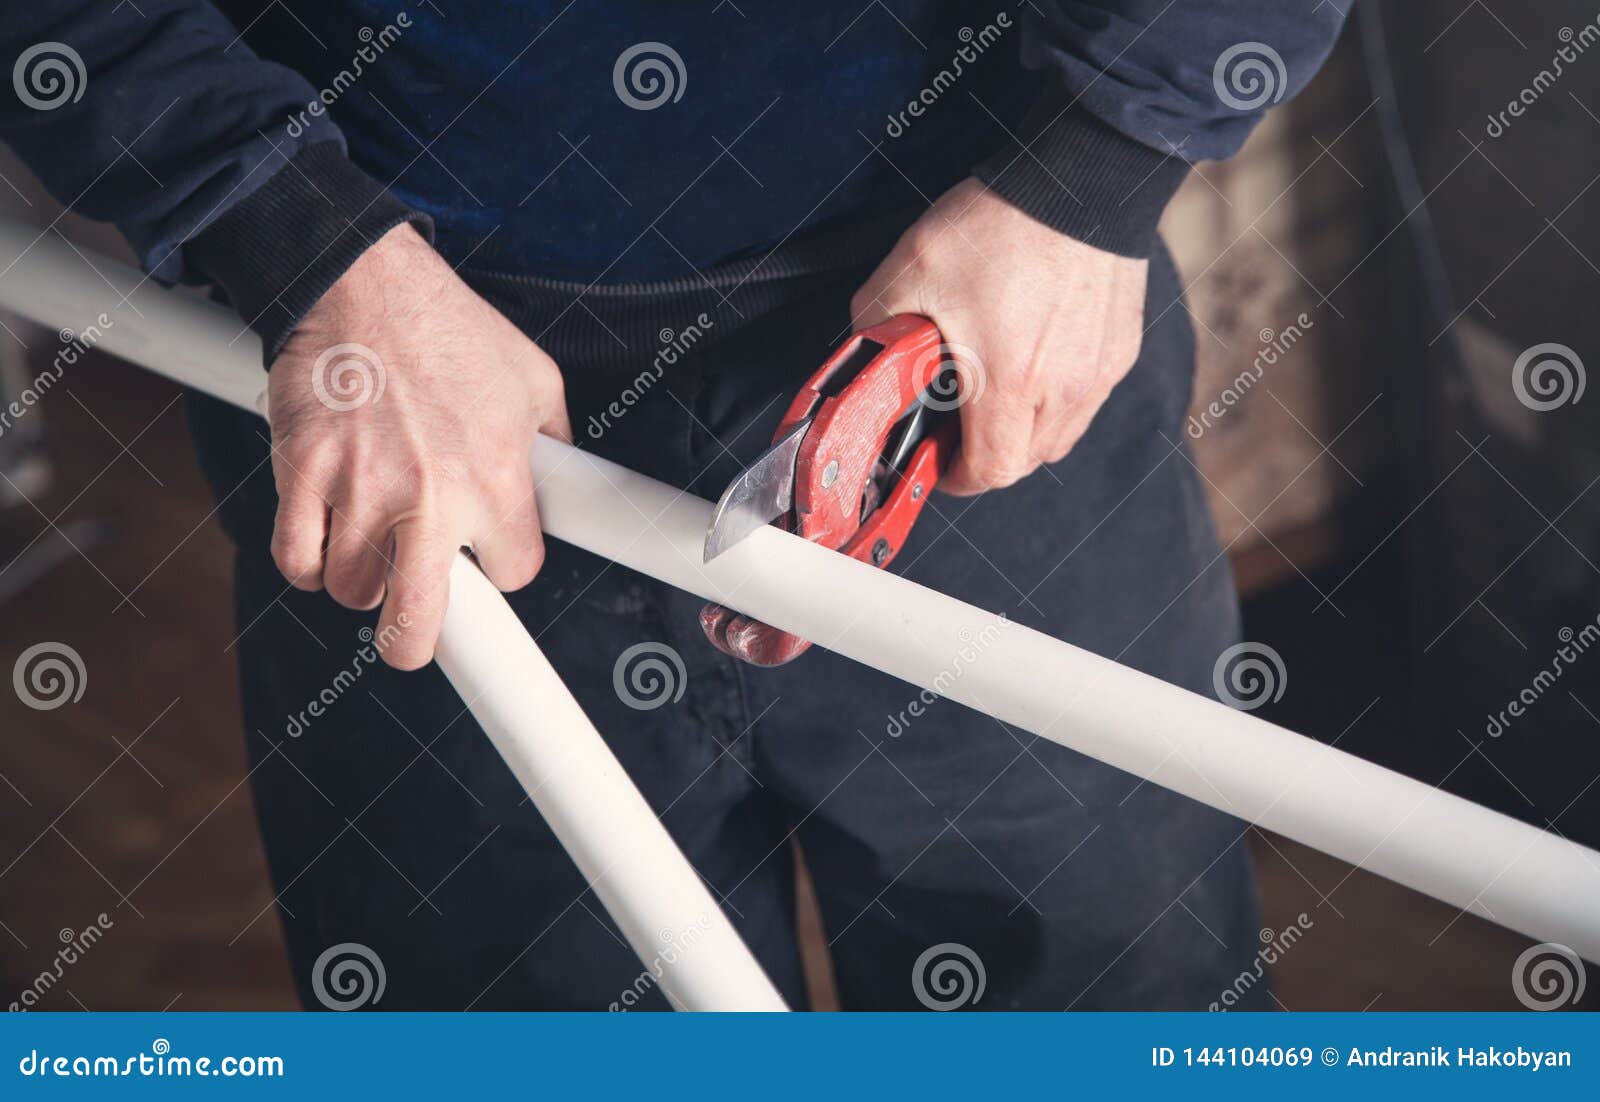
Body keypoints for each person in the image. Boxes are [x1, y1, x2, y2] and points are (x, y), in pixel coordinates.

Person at [0, 2, 1349, 1009]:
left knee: (1103, 1021)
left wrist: (1096, 164)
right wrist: (278, 218)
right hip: (401, 399)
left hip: (965, 353)